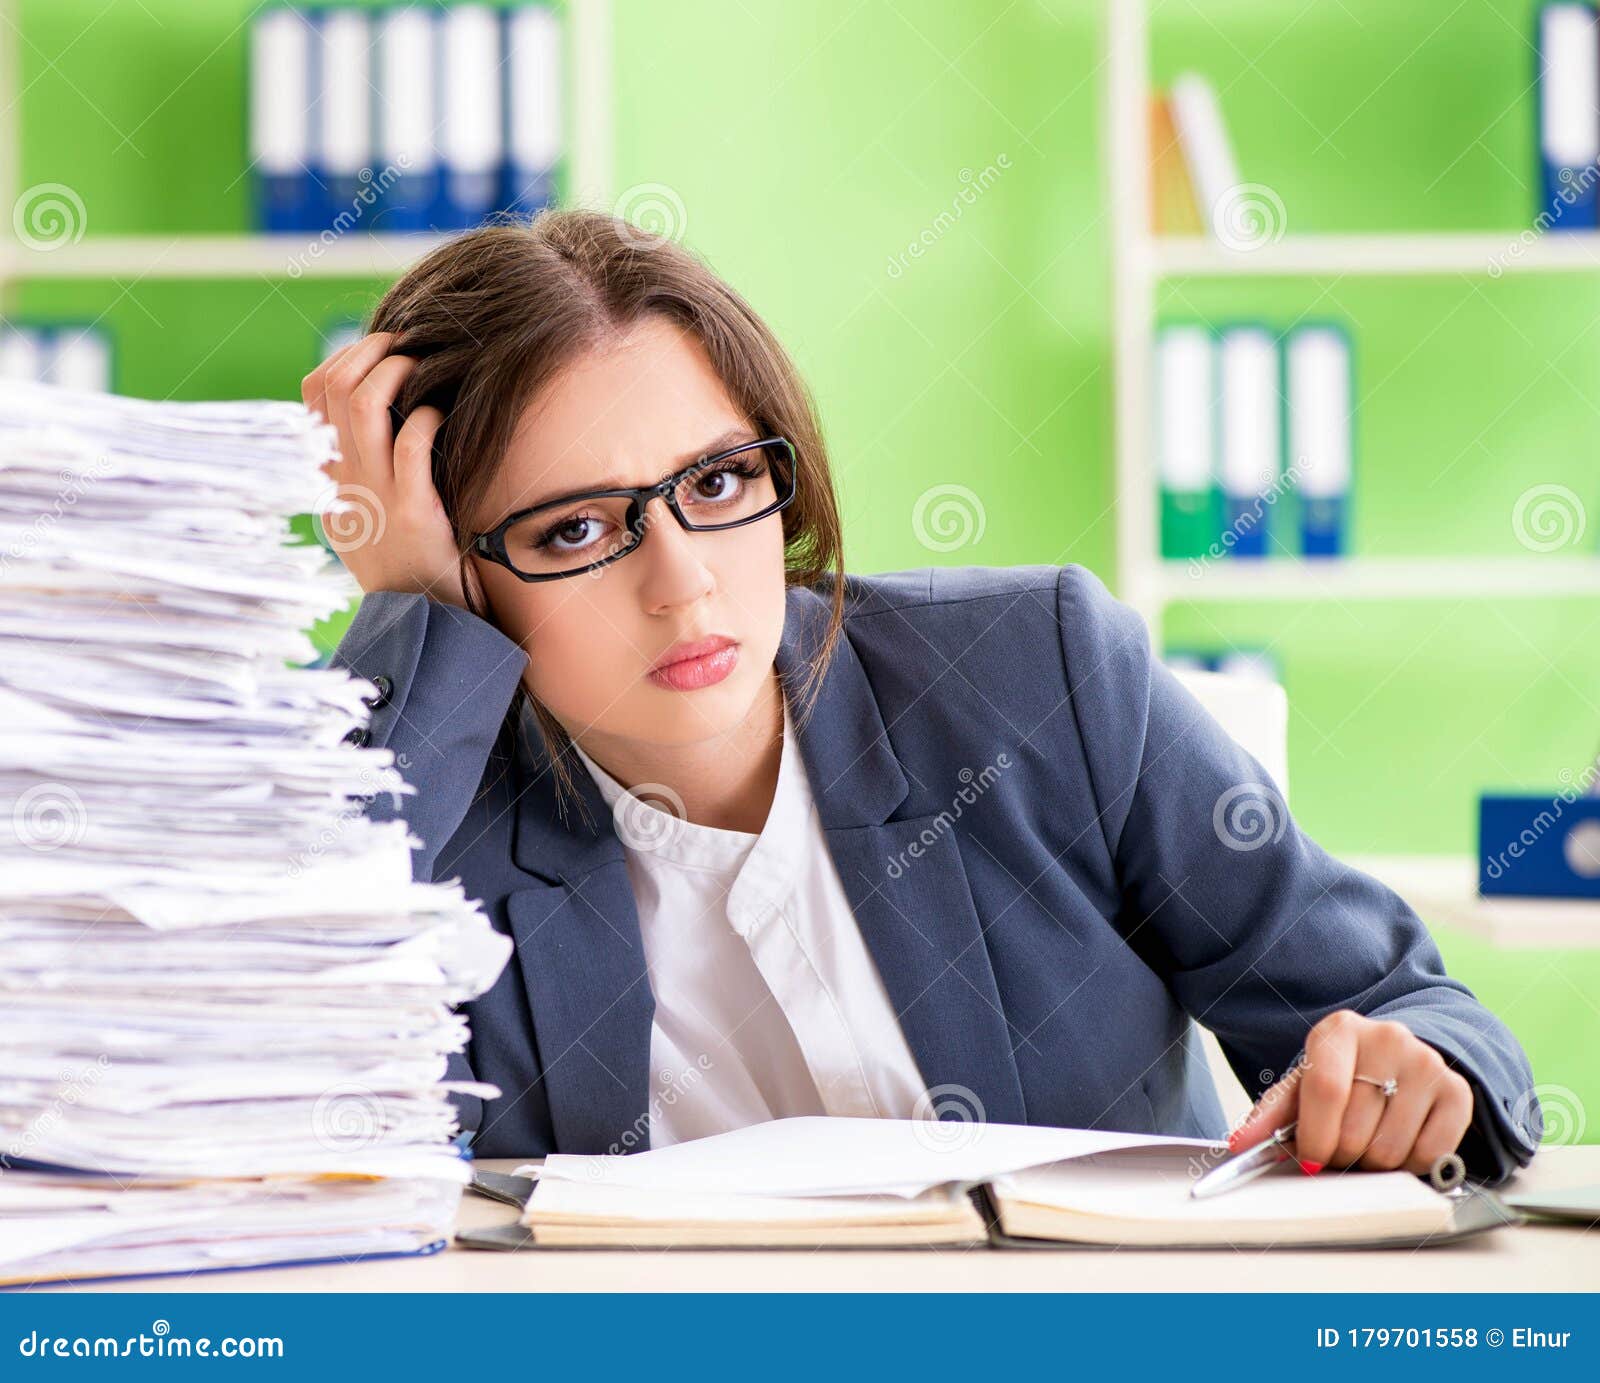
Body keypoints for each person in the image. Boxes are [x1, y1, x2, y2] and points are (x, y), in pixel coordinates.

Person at [306, 208, 1541, 1182]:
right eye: (576, 529)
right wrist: (410, 627)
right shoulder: (429, 799)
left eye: (721, 483)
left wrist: (1414, 1076)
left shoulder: (1034, 674)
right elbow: (259, 1107)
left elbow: (1412, 1012)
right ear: (466, 566)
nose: (683, 584)